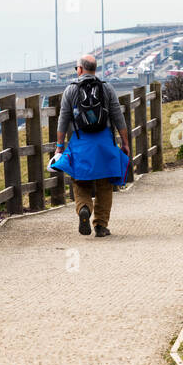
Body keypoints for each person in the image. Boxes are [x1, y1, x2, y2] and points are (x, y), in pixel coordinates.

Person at [55, 54, 130, 237]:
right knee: (105, 185)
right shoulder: (107, 88)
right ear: (95, 69)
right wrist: (125, 142)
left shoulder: (70, 90)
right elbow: (118, 117)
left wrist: (59, 146)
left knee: (80, 182)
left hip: (81, 143)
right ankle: (101, 226)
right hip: (104, 143)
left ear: (80, 69)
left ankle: (84, 208)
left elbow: (63, 120)